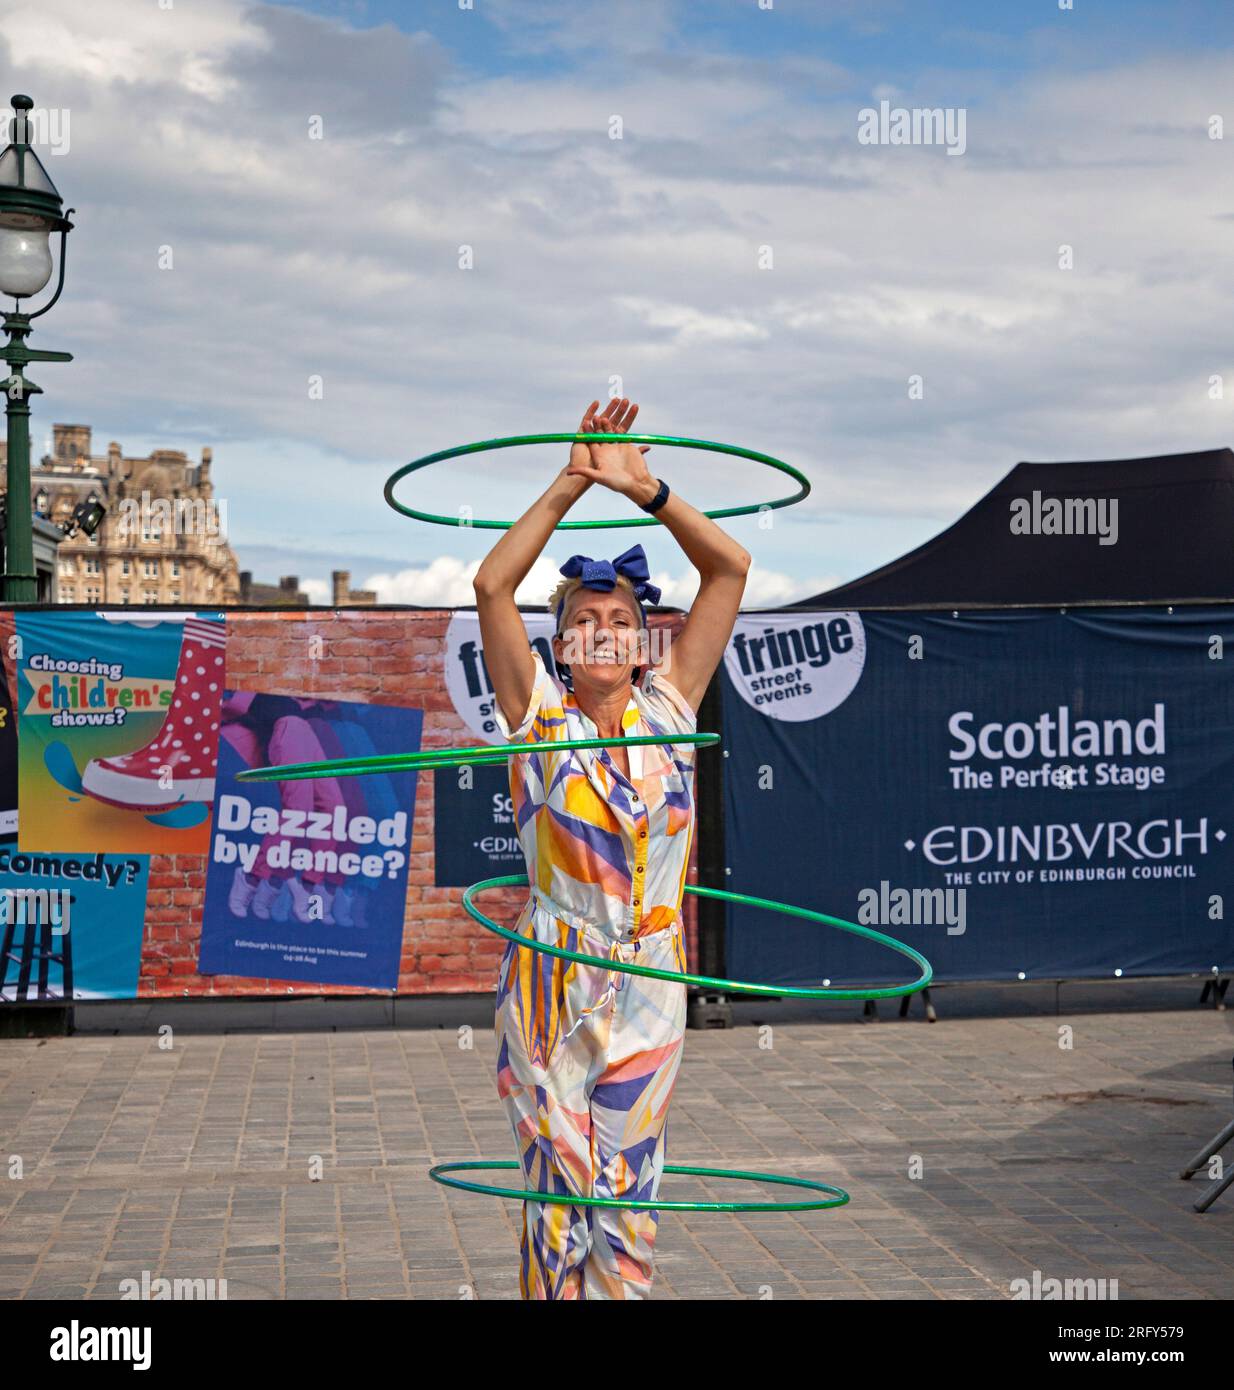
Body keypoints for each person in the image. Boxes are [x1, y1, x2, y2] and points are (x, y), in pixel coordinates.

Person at [473, 396, 751, 1299]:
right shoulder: (537, 719)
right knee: (560, 1203)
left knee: (629, 1201)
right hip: (556, 977)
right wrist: (572, 479)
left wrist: (646, 489)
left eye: (622, 619)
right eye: (586, 618)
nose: (605, 629)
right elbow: (489, 586)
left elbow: (730, 568)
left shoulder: (672, 710)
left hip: (653, 977)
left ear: (642, 643)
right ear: (561, 643)